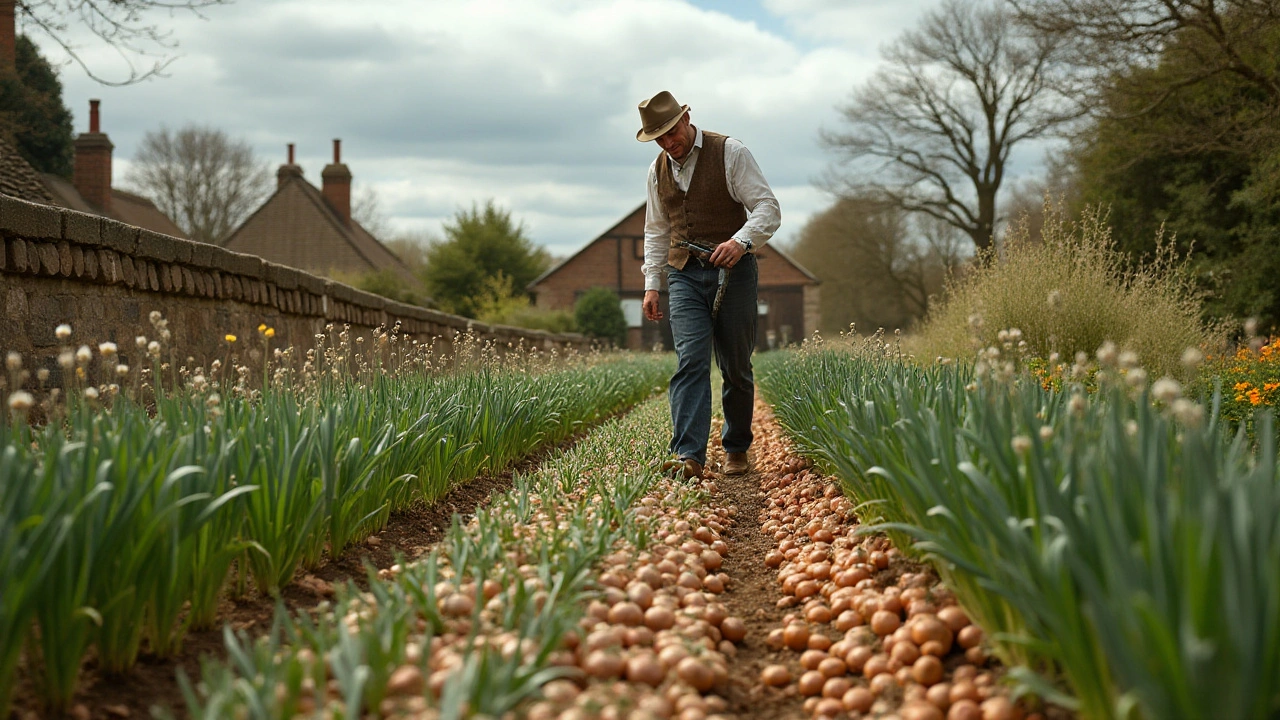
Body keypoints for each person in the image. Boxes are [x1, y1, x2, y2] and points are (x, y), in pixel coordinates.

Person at [636, 90, 780, 479]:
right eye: (660, 138)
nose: (669, 143)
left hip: (733, 271)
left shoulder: (730, 152)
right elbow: (656, 230)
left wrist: (741, 242)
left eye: (672, 132)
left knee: (735, 364)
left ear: (686, 118)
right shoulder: (656, 171)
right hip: (683, 273)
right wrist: (652, 283)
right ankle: (689, 456)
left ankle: (736, 446)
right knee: (691, 360)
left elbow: (768, 208)